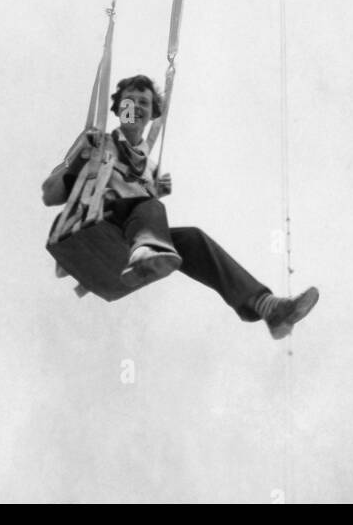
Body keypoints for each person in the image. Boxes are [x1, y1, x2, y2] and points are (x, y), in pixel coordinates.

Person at [42, 73, 319, 341]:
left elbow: (144, 212)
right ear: (117, 108)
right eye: (129, 101)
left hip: (121, 251)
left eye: (144, 103)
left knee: (193, 239)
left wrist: (150, 192)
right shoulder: (98, 144)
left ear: (152, 115)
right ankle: (147, 252)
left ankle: (268, 307)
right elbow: (50, 196)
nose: (136, 107)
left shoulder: (150, 170)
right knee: (150, 207)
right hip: (89, 232)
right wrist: (80, 161)